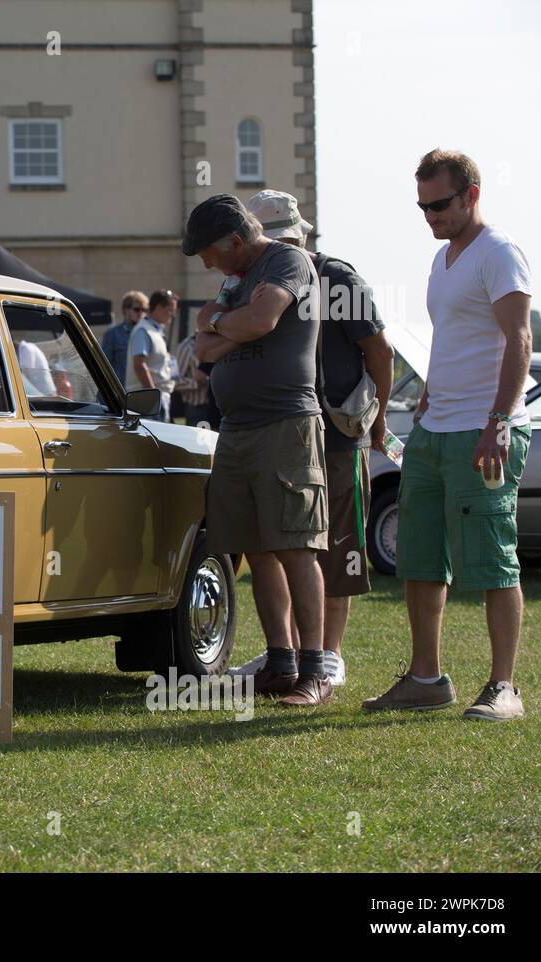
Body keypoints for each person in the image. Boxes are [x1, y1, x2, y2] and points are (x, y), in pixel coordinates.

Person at [364, 149, 533, 721]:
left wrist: (499, 423)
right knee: (418, 560)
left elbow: (520, 340)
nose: (431, 215)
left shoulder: (500, 252)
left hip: (483, 432)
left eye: (439, 204)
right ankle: (425, 679)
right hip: (434, 433)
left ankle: (504, 688)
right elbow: (450, 340)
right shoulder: (443, 259)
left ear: (471, 195)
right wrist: (428, 402)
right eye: (423, 206)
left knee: (493, 560)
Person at [228, 189, 395, 688]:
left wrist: (377, 421)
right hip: (277, 433)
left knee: (334, 547)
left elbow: (379, 351)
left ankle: (328, 656)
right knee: (276, 545)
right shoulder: (247, 282)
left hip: (337, 436)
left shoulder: (336, 277)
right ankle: (285, 653)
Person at [185, 193, 330, 706]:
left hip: (285, 425)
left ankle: (315, 671)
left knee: (295, 546)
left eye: (210, 253)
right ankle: (281, 662)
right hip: (239, 429)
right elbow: (200, 349)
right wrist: (228, 325)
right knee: (259, 550)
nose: (207, 263)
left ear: (236, 240)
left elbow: (262, 320)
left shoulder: (285, 259)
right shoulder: (236, 279)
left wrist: (223, 324)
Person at [126, 289, 180, 421]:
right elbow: (139, 364)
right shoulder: (143, 330)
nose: (173, 315)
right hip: (147, 401)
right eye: (170, 310)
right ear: (159, 307)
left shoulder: (154, 331)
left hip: (154, 398)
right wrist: (153, 397)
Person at [103, 291, 147, 385]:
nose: (141, 313)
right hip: (119, 391)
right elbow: (104, 367)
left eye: (144, 310)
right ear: (125, 310)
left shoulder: (147, 334)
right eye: (136, 309)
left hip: (140, 389)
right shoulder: (113, 334)